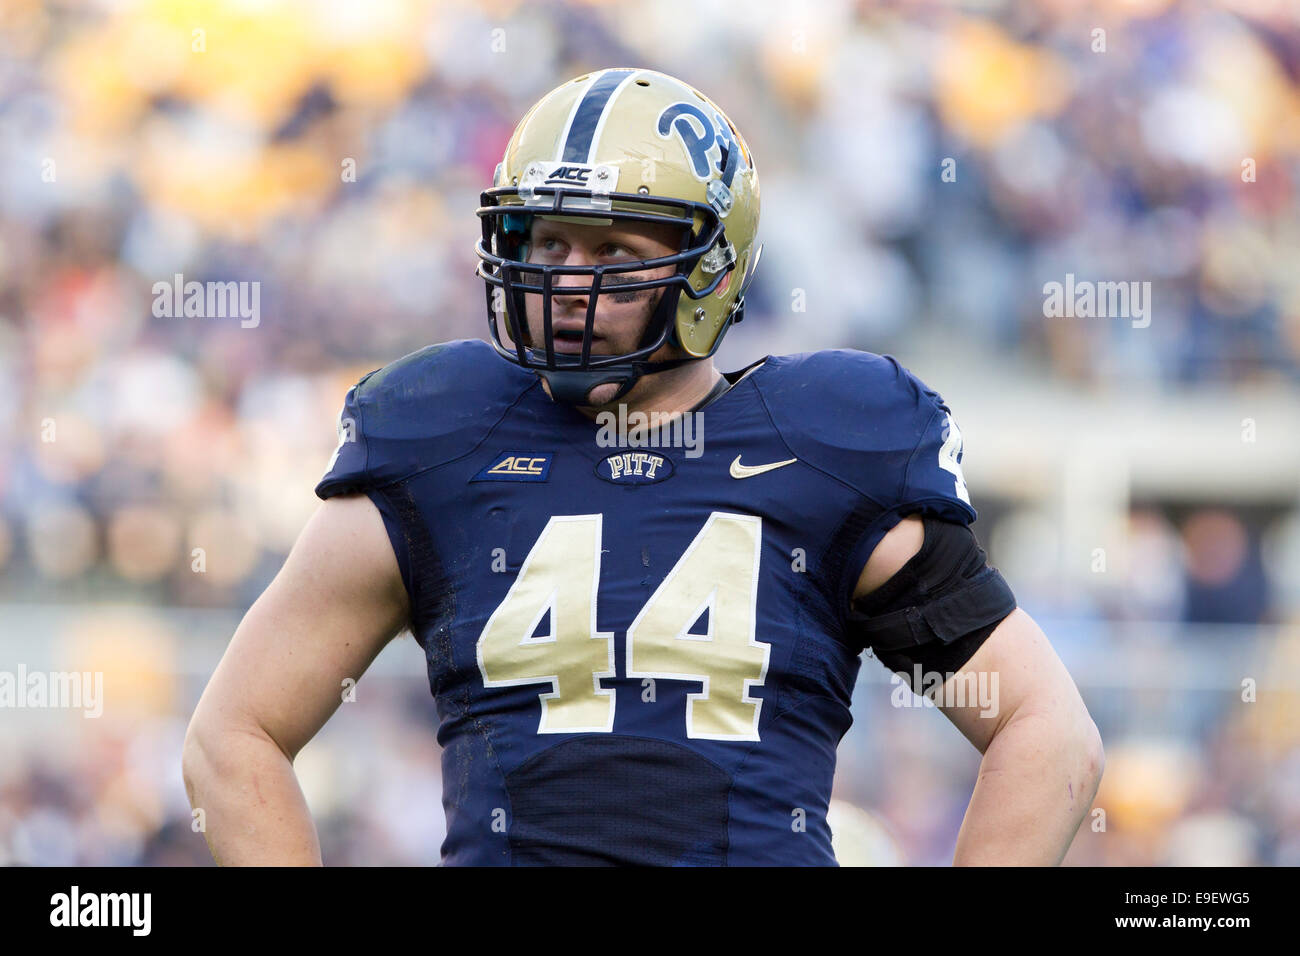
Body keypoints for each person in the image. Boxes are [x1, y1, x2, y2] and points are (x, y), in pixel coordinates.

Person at [183, 68, 1103, 866]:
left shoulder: (825, 443)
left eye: (614, 251)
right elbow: (235, 736)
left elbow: (1046, 731)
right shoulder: (441, 436)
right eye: (548, 243)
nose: (567, 280)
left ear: (711, 270)